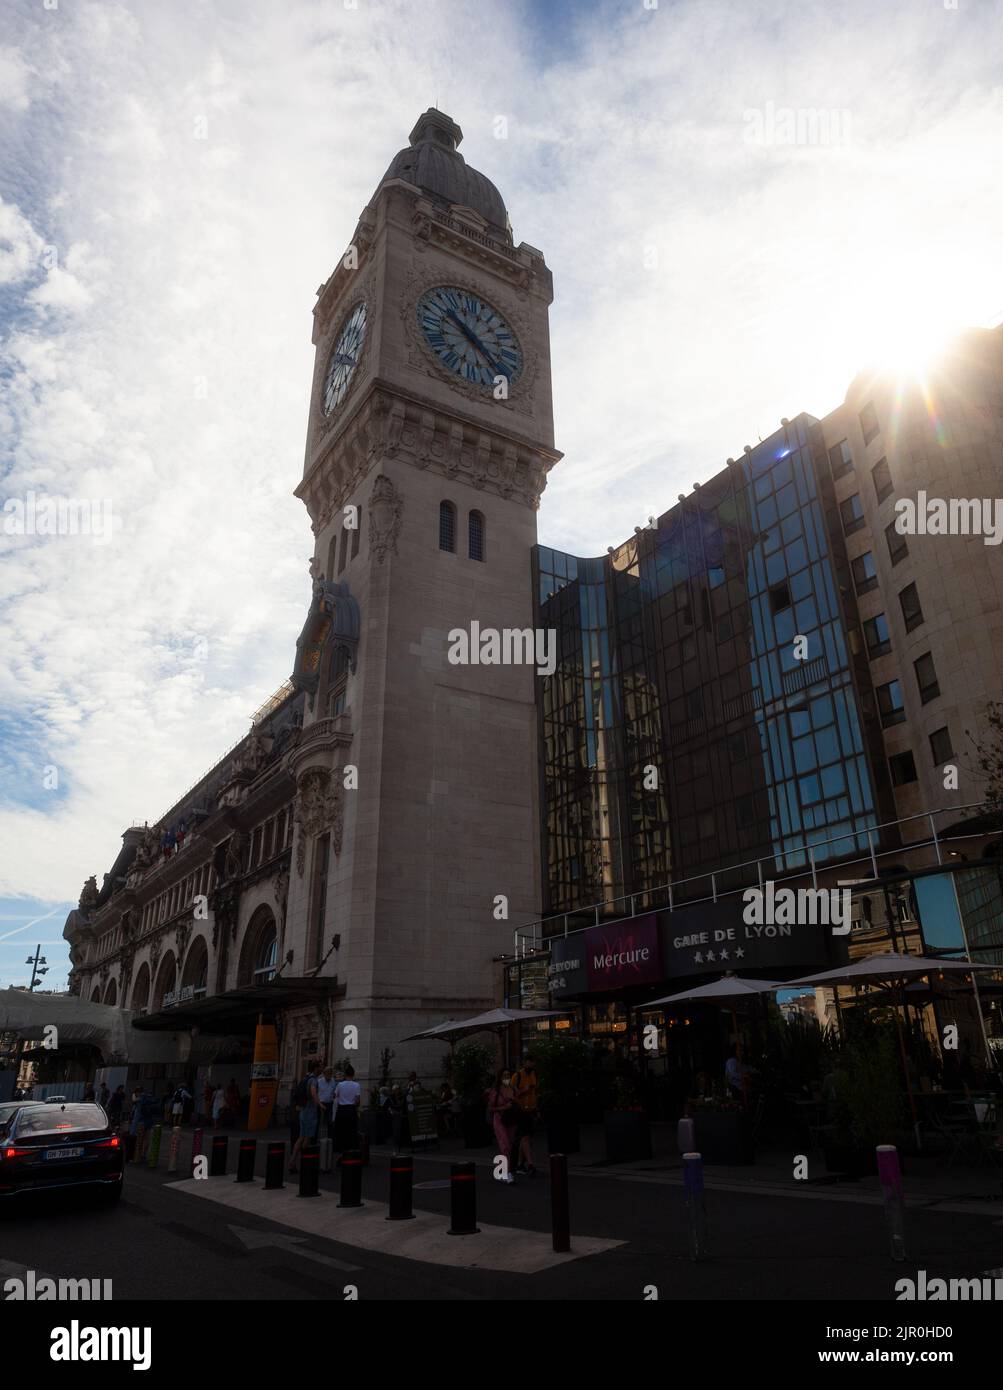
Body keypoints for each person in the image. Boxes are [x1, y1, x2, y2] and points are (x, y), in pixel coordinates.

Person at [486, 1069, 519, 1182]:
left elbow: (518, 1102)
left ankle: (502, 1169)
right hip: (499, 1119)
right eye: (504, 1075)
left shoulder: (513, 1089)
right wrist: (504, 1107)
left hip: (511, 1120)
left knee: (509, 1145)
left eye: (508, 1075)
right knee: (505, 1145)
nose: (507, 1077)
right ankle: (507, 1172)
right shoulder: (495, 1091)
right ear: (500, 1077)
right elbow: (490, 1108)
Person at [289, 1063, 321, 1173]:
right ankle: (306, 1162)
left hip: (303, 1110)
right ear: (316, 1068)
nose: (321, 1068)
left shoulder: (305, 1078)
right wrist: (320, 1104)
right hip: (310, 1111)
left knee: (301, 1137)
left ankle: (292, 1161)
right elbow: (313, 1092)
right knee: (307, 1138)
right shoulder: (313, 1080)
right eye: (319, 1067)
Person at [511, 1057, 539, 1175]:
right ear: (524, 1064)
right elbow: (512, 1093)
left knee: (528, 1139)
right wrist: (524, 1090)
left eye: (532, 1063)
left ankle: (520, 1164)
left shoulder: (534, 1074)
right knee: (525, 1137)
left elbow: (536, 1090)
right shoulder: (517, 1076)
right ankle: (530, 1164)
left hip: (531, 1109)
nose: (531, 1065)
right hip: (521, 1110)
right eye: (528, 1063)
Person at [332, 1064, 362, 1152]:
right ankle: (351, 1150)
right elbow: (357, 1101)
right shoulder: (356, 1085)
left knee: (341, 1131)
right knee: (352, 1131)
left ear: (345, 1074)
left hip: (341, 1110)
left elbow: (334, 1096)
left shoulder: (340, 1085)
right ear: (353, 1074)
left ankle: (341, 1149)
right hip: (351, 1110)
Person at [317, 1066, 336, 1138]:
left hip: (330, 1103)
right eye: (328, 1074)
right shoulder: (319, 1081)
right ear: (324, 1074)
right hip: (321, 1103)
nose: (329, 1075)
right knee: (319, 1121)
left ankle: (330, 1138)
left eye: (330, 1074)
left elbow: (334, 1091)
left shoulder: (333, 1081)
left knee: (330, 1121)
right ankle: (318, 1138)